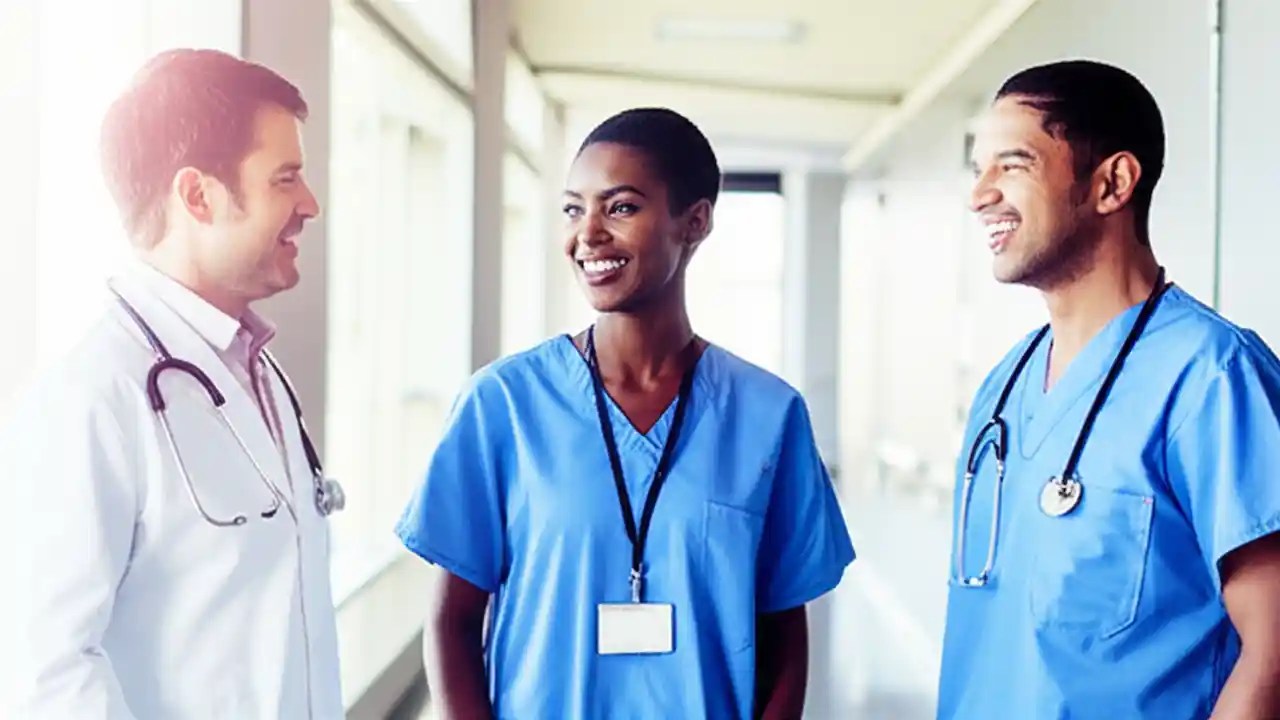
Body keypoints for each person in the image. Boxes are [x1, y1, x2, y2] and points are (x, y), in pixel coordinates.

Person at [395, 107, 854, 719]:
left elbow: (785, 635)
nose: (588, 233)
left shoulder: (768, 416)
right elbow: (452, 622)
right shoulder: (503, 404)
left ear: (694, 222)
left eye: (621, 207)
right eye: (572, 208)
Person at [0, 49, 344, 718]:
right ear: (197, 196)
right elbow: (41, 673)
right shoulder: (92, 399)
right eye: (285, 179)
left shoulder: (255, 370)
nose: (310, 203)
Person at [939, 59, 1280, 718]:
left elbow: (1273, 652)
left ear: (1112, 183)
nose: (979, 194)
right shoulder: (1003, 389)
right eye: (977, 169)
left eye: (1012, 165)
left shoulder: (1213, 379)